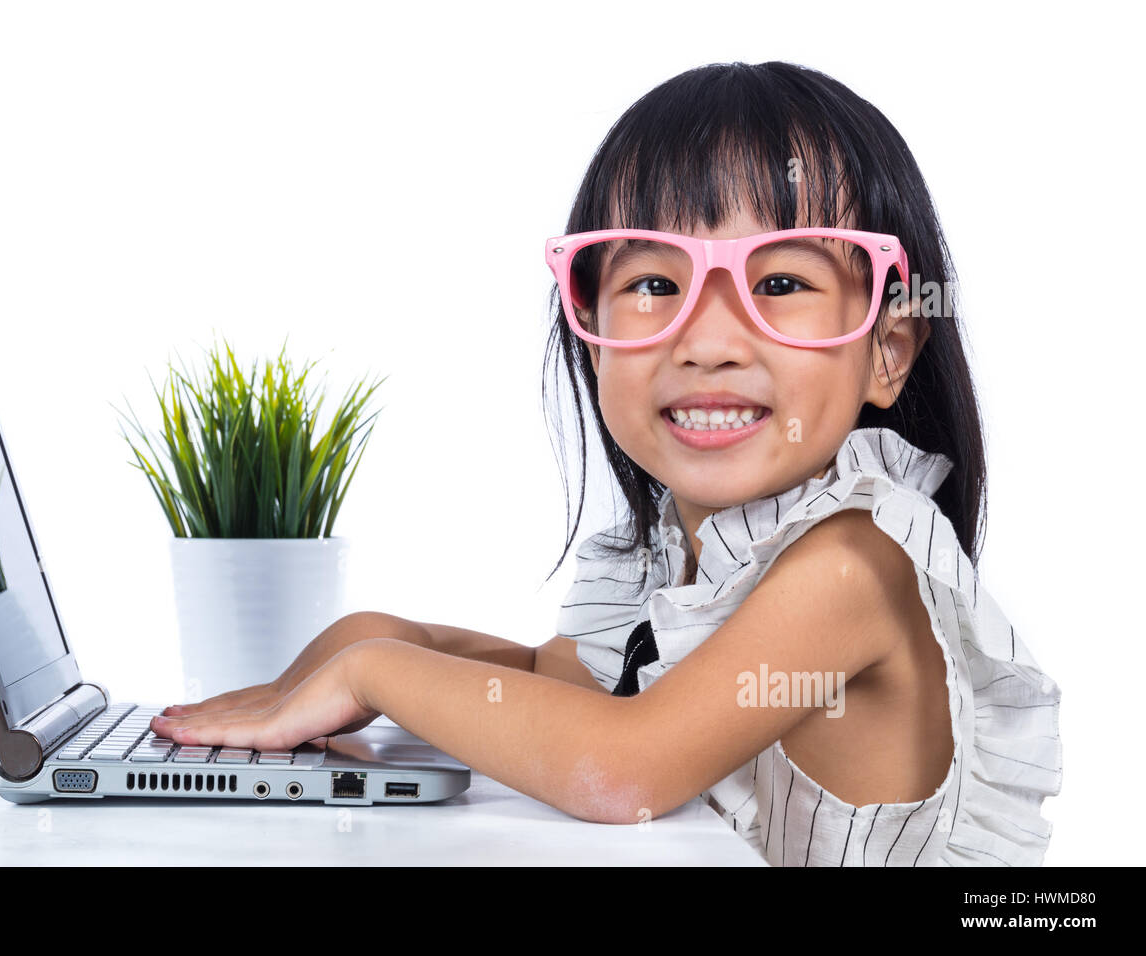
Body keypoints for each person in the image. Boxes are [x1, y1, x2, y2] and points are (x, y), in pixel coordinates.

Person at [151, 60, 1062, 866]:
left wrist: (374, 673)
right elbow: (563, 688)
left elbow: (622, 764)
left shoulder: (853, 562)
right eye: (654, 285)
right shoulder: (680, 556)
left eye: (780, 283)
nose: (707, 340)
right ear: (594, 344)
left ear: (888, 353)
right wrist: (394, 635)